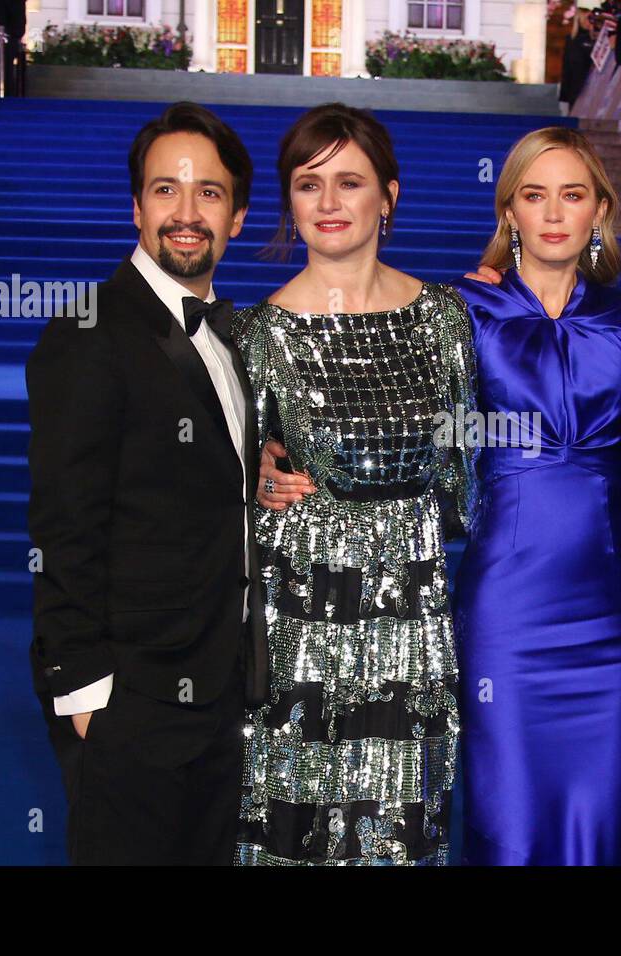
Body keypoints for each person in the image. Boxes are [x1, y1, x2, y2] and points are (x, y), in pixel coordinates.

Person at [233, 103, 476, 866]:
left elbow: (468, 477)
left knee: (399, 819)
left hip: (409, 608)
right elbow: (220, 477)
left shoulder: (445, 318)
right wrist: (254, 483)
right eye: (309, 185)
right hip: (298, 614)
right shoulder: (256, 333)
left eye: (349, 182)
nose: (329, 204)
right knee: (292, 820)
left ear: (389, 196)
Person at [27, 102, 266, 865]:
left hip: (223, 693)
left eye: (208, 193)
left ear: (237, 214)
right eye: (166, 190)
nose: (186, 214)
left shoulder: (236, 336)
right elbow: (64, 524)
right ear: (136, 206)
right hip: (132, 701)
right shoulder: (88, 331)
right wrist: (85, 696)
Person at [449, 128, 621, 865]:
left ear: (600, 210)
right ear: (511, 213)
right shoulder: (464, 313)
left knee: (596, 823)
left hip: (606, 613)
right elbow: (403, 425)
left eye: (573, 194)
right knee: (509, 823)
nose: (554, 213)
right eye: (535, 195)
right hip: (507, 607)